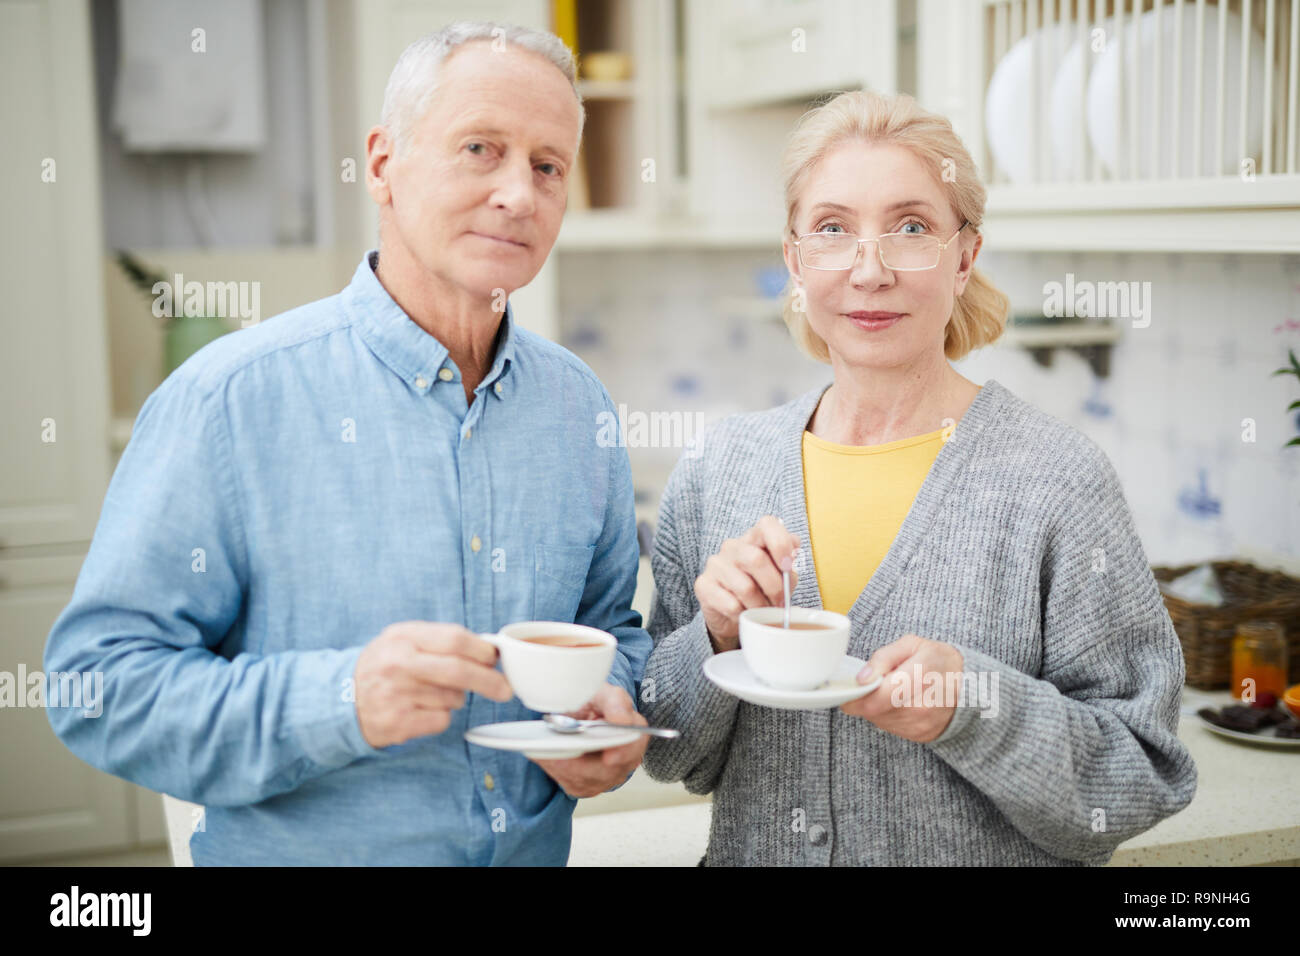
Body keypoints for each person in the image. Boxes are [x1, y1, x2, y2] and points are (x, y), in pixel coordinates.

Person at [44, 21, 651, 866]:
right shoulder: (229, 401)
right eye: (481, 148)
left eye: (548, 165)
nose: (520, 192)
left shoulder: (577, 407)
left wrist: (610, 715)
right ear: (382, 165)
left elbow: (611, 630)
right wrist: (339, 700)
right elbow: (97, 689)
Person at [639, 89, 1197, 866]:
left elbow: (1137, 778)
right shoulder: (718, 469)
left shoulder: (1057, 480)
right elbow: (666, 749)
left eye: (911, 228)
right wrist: (716, 637)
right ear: (796, 261)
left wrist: (971, 706)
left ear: (964, 257)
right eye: (833, 230)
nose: (869, 271)